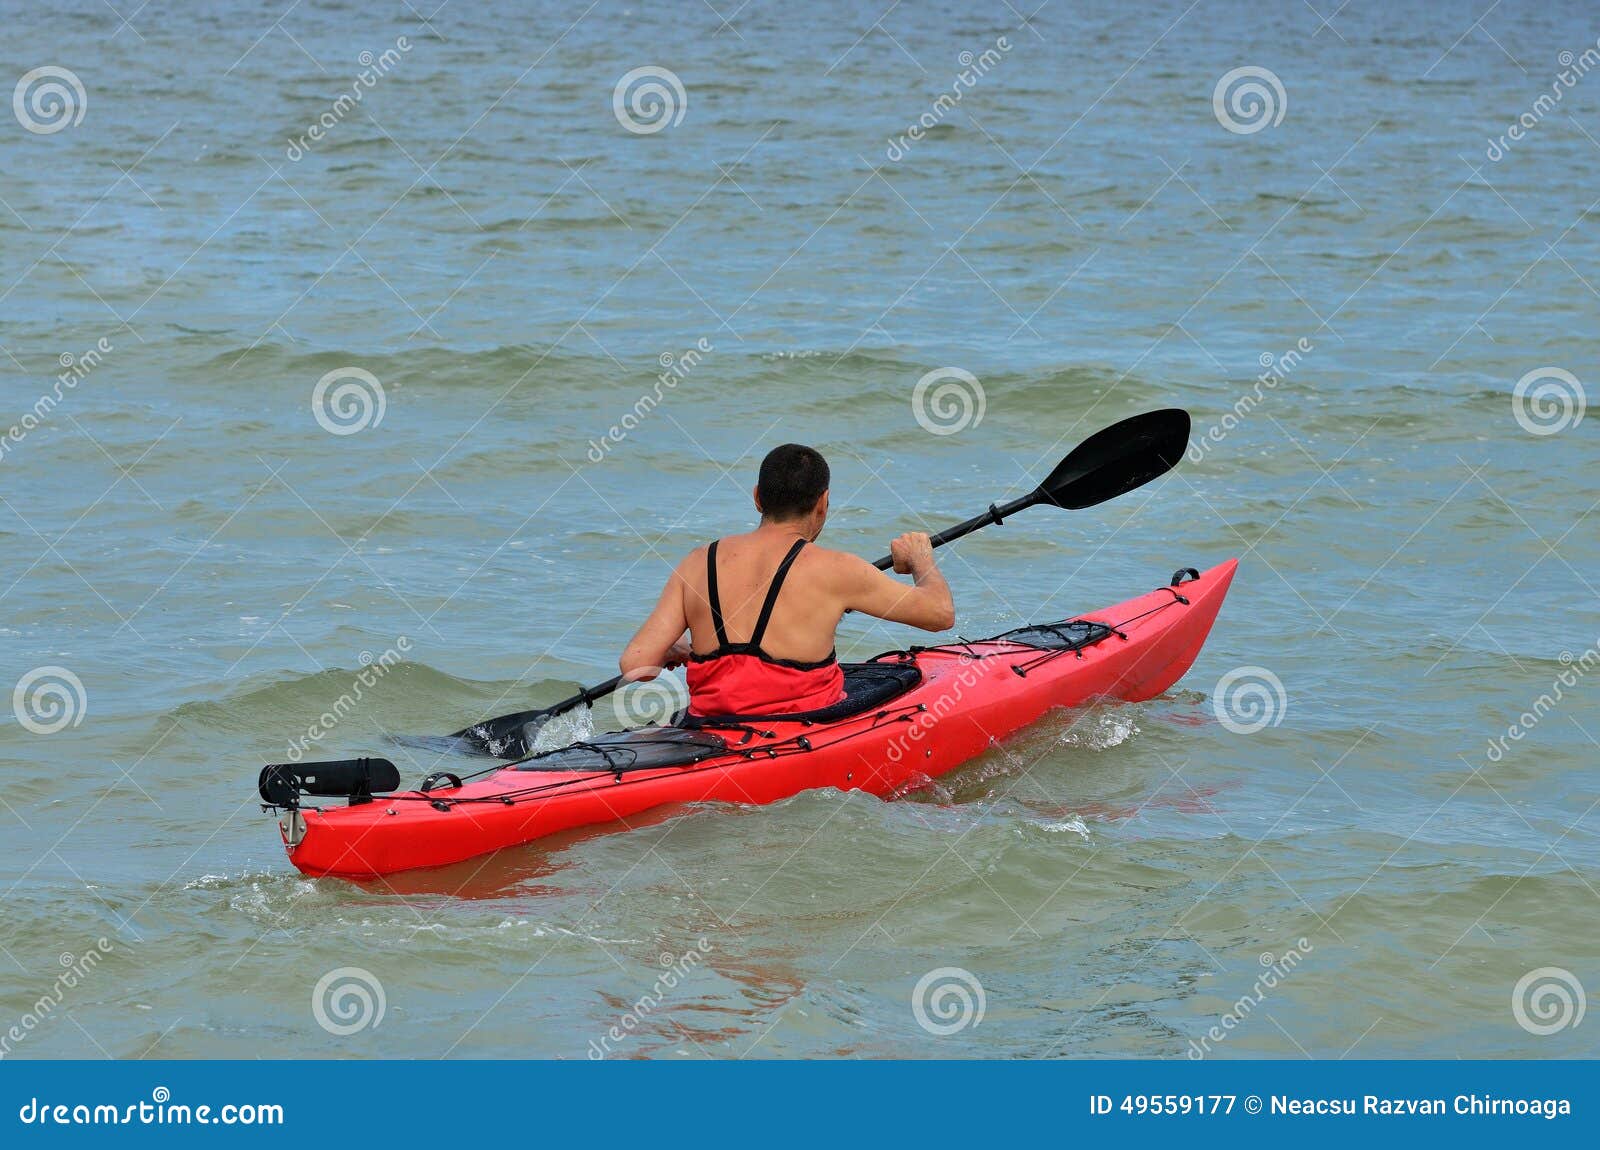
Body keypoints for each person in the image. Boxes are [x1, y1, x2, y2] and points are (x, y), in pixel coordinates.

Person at [620, 443, 955, 717]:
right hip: (799, 727)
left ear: (757, 498)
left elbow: (636, 665)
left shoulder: (697, 562)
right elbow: (939, 614)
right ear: (823, 503)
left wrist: (677, 649)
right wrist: (920, 559)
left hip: (713, 728)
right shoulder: (837, 569)